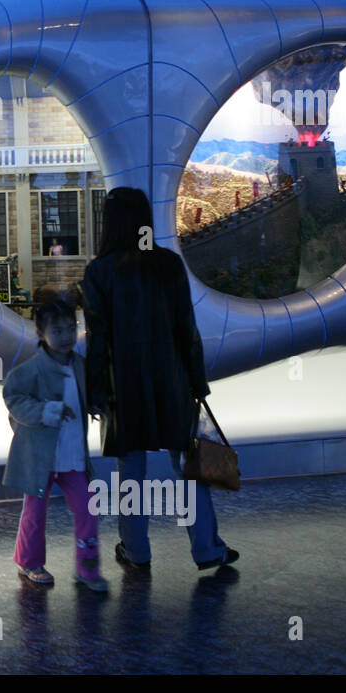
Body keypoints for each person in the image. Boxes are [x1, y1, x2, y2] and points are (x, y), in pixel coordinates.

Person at [80, 187, 238, 571]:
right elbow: (188, 329)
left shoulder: (99, 272)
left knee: (130, 473)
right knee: (188, 467)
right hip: (173, 382)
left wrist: (96, 391)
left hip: (125, 388)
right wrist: (197, 382)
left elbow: (98, 339)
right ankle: (207, 549)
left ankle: (136, 552)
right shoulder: (168, 264)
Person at [2, 292, 108, 592]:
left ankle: (88, 569)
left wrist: (94, 406)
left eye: (70, 329)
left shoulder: (80, 366)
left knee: (88, 509)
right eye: (57, 331)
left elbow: (83, 396)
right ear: (41, 334)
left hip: (72, 456)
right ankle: (29, 562)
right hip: (40, 458)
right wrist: (46, 411)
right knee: (35, 512)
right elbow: (13, 398)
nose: (66, 336)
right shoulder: (31, 370)